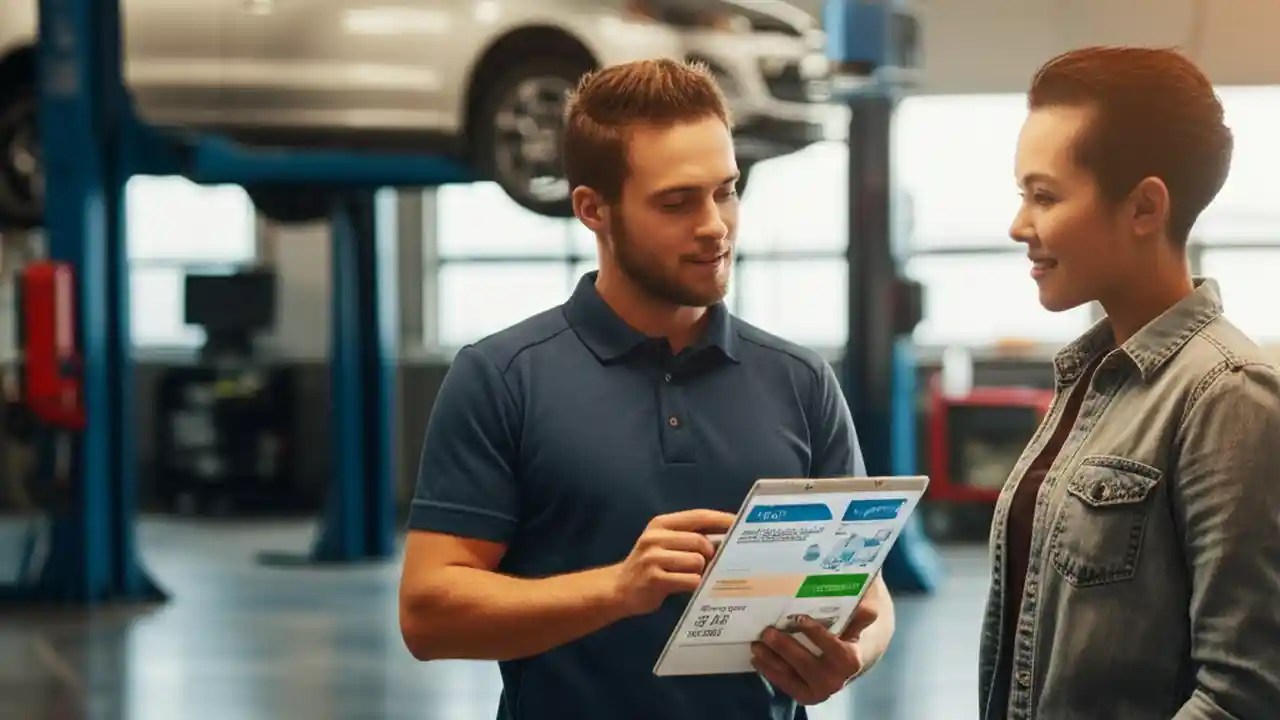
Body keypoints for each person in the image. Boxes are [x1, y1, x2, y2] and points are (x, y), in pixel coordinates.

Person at [398, 58, 894, 719]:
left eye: (726, 190)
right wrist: (618, 590)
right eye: (676, 201)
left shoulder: (801, 381)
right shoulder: (502, 377)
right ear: (592, 209)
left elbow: (872, 597)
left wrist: (851, 657)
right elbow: (428, 615)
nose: (715, 224)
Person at [980, 46, 1280, 720]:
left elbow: (1244, 694)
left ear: (1145, 207)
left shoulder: (1228, 394)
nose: (1019, 225)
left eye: (1044, 195)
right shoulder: (1092, 378)